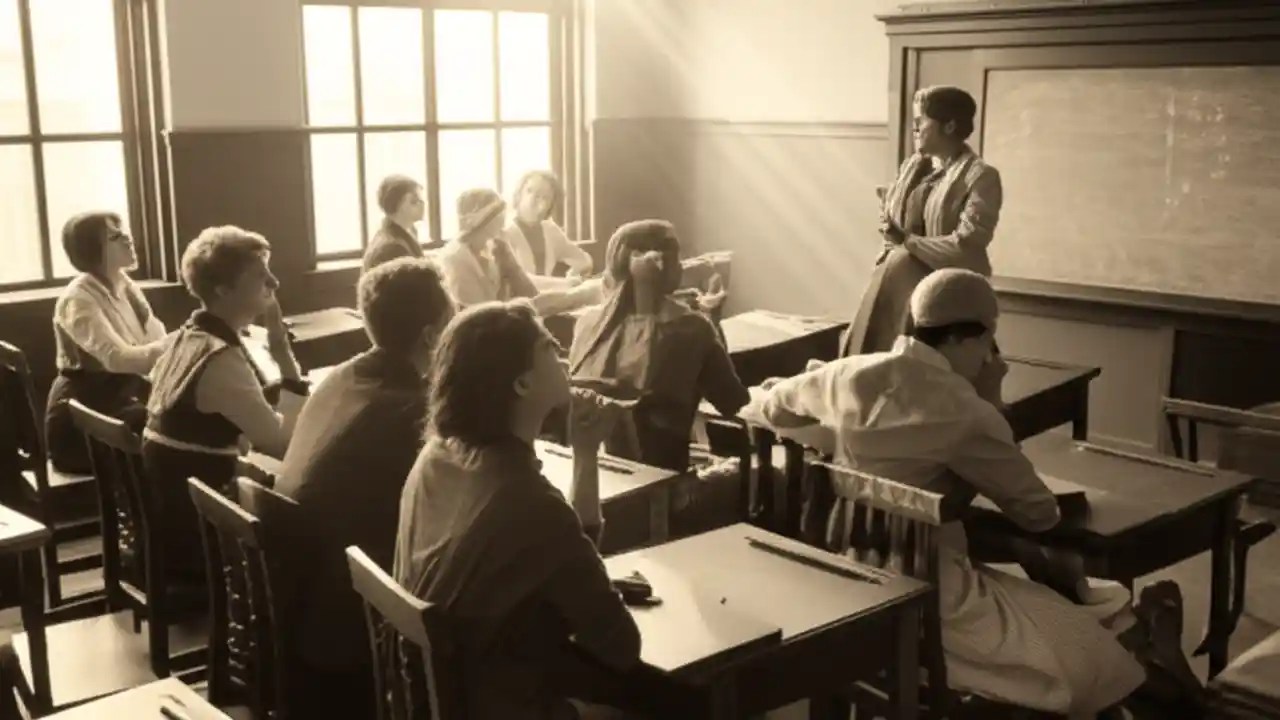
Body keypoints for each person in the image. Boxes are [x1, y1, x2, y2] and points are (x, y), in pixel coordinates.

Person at [753, 269, 1203, 719]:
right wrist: (993, 405)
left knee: (1076, 615)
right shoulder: (966, 410)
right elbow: (1038, 514)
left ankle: (1150, 660)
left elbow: (768, 407)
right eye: (989, 341)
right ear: (966, 339)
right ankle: (1159, 675)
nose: (989, 355)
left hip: (847, 582)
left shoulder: (847, 374)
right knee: (1091, 653)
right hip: (932, 604)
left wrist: (823, 428)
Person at [394, 301, 641, 720]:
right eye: (547, 346)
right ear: (522, 383)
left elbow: (565, 553)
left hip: (432, 698)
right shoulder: (529, 501)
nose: (562, 352)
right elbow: (620, 647)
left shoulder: (437, 455)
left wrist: (585, 455)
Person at [274, 257, 455, 718]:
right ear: (433, 337)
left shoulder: (342, 375)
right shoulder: (411, 412)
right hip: (348, 619)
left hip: (298, 596)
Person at [143, 226, 307, 583]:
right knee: (314, 507)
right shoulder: (220, 358)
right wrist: (284, 356)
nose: (274, 283)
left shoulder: (188, 336)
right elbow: (281, 445)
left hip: (176, 512)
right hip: (199, 535)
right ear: (223, 290)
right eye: (260, 275)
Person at [569, 219, 749, 472]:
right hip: (663, 486)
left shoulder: (587, 324)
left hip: (593, 474)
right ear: (671, 267)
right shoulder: (693, 329)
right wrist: (713, 321)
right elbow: (732, 401)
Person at [841, 85, 1003, 356]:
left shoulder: (981, 176)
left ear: (949, 126)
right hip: (895, 285)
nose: (914, 129)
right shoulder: (912, 167)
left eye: (921, 121)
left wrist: (907, 242)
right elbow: (892, 229)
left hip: (947, 294)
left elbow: (966, 245)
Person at [44, 212, 167, 473]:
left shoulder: (125, 285)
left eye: (124, 231)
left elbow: (155, 340)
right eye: (115, 236)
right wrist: (180, 344)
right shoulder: (78, 299)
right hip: (84, 416)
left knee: (187, 423)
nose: (128, 239)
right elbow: (116, 359)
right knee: (175, 436)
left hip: (122, 400)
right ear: (91, 250)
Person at [436, 188, 539, 307]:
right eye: (497, 215)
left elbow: (528, 291)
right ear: (481, 218)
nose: (503, 221)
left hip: (498, 317)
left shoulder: (497, 247)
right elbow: (473, 311)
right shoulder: (456, 258)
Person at [501, 170, 594, 283]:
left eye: (545, 197)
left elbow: (584, 260)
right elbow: (520, 280)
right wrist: (565, 284)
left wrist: (573, 275)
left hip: (549, 295)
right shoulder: (504, 232)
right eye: (530, 192)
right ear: (519, 194)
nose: (536, 201)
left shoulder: (550, 230)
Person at [361, 174, 438, 273]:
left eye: (421, 199)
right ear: (396, 205)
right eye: (414, 201)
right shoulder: (392, 248)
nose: (422, 204)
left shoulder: (408, 231)